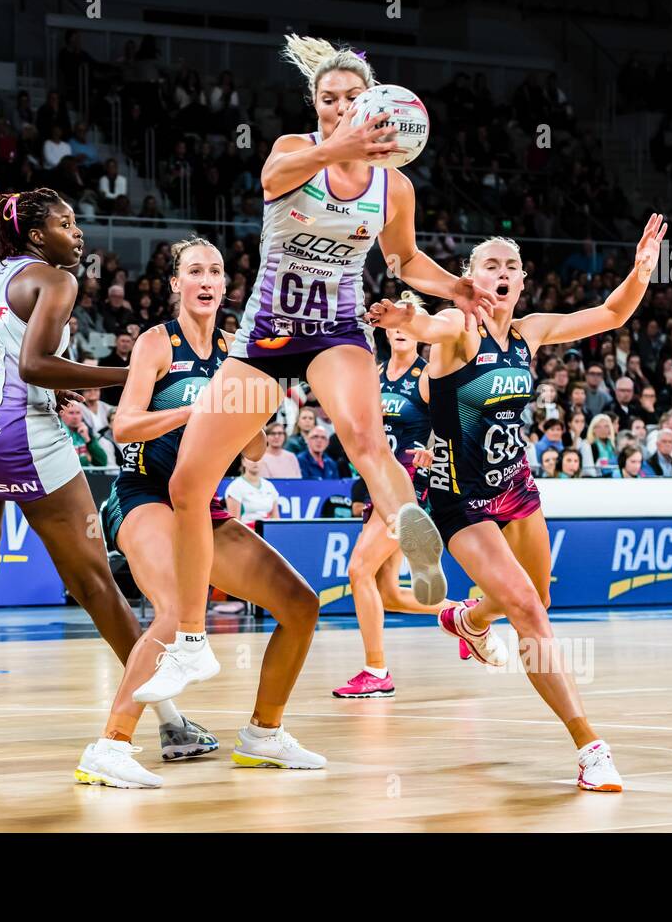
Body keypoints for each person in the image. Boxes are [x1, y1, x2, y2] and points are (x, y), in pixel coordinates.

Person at [136, 36, 497, 707]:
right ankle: (190, 642)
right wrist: (342, 143)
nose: (337, 109)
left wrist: (457, 288)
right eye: (327, 100)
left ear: (374, 102)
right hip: (267, 337)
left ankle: (416, 537)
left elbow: (406, 260)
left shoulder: (394, 184)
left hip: (336, 328)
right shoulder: (292, 153)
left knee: (365, 438)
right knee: (188, 483)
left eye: (350, 100)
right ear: (316, 105)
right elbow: (274, 182)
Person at [365, 214, 667, 791]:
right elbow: (430, 325)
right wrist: (408, 318)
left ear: (522, 280)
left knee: (538, 600)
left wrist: (640, 272)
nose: (501, 273)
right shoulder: (459, 326)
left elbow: (610, 314)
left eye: (510, 265)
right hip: (463, 503)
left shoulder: (529, 331)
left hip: (519, 491)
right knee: (529, 610)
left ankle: (469, 618)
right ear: (469, 276)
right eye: (490, 264)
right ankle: (590, 747)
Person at [0, 188, 201, 770]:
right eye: (65, 223)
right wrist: (136, 372)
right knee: (97, 585)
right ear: (34, 236)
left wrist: (38, 381)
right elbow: (32, 366)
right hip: (27, 441)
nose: (77, 233)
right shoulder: (55, 280)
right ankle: (171, 724)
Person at [80, 238, 321, 788]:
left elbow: (255, 450)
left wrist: (252, 414)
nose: (207, 279)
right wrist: (198, 410)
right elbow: (124, 426)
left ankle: (264, 735)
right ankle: (109, 746)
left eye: (215, 270)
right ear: (176, 284)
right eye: (195, 271)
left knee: (301, 605)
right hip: (145, 496)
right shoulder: (156, 344)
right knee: (173, 612)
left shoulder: (238, 351)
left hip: (205, 508)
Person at [334, 309, 455, 699]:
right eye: (395, 324)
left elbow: (456, 422)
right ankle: (466, 614)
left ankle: (376, 670)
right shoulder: (376, 373)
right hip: (375, 484)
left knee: (358, 570)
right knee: (389, 593)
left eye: (410, 323)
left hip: (406, 487)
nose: (401, 329)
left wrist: (435, 451)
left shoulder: (426, 377)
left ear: (420, 331)